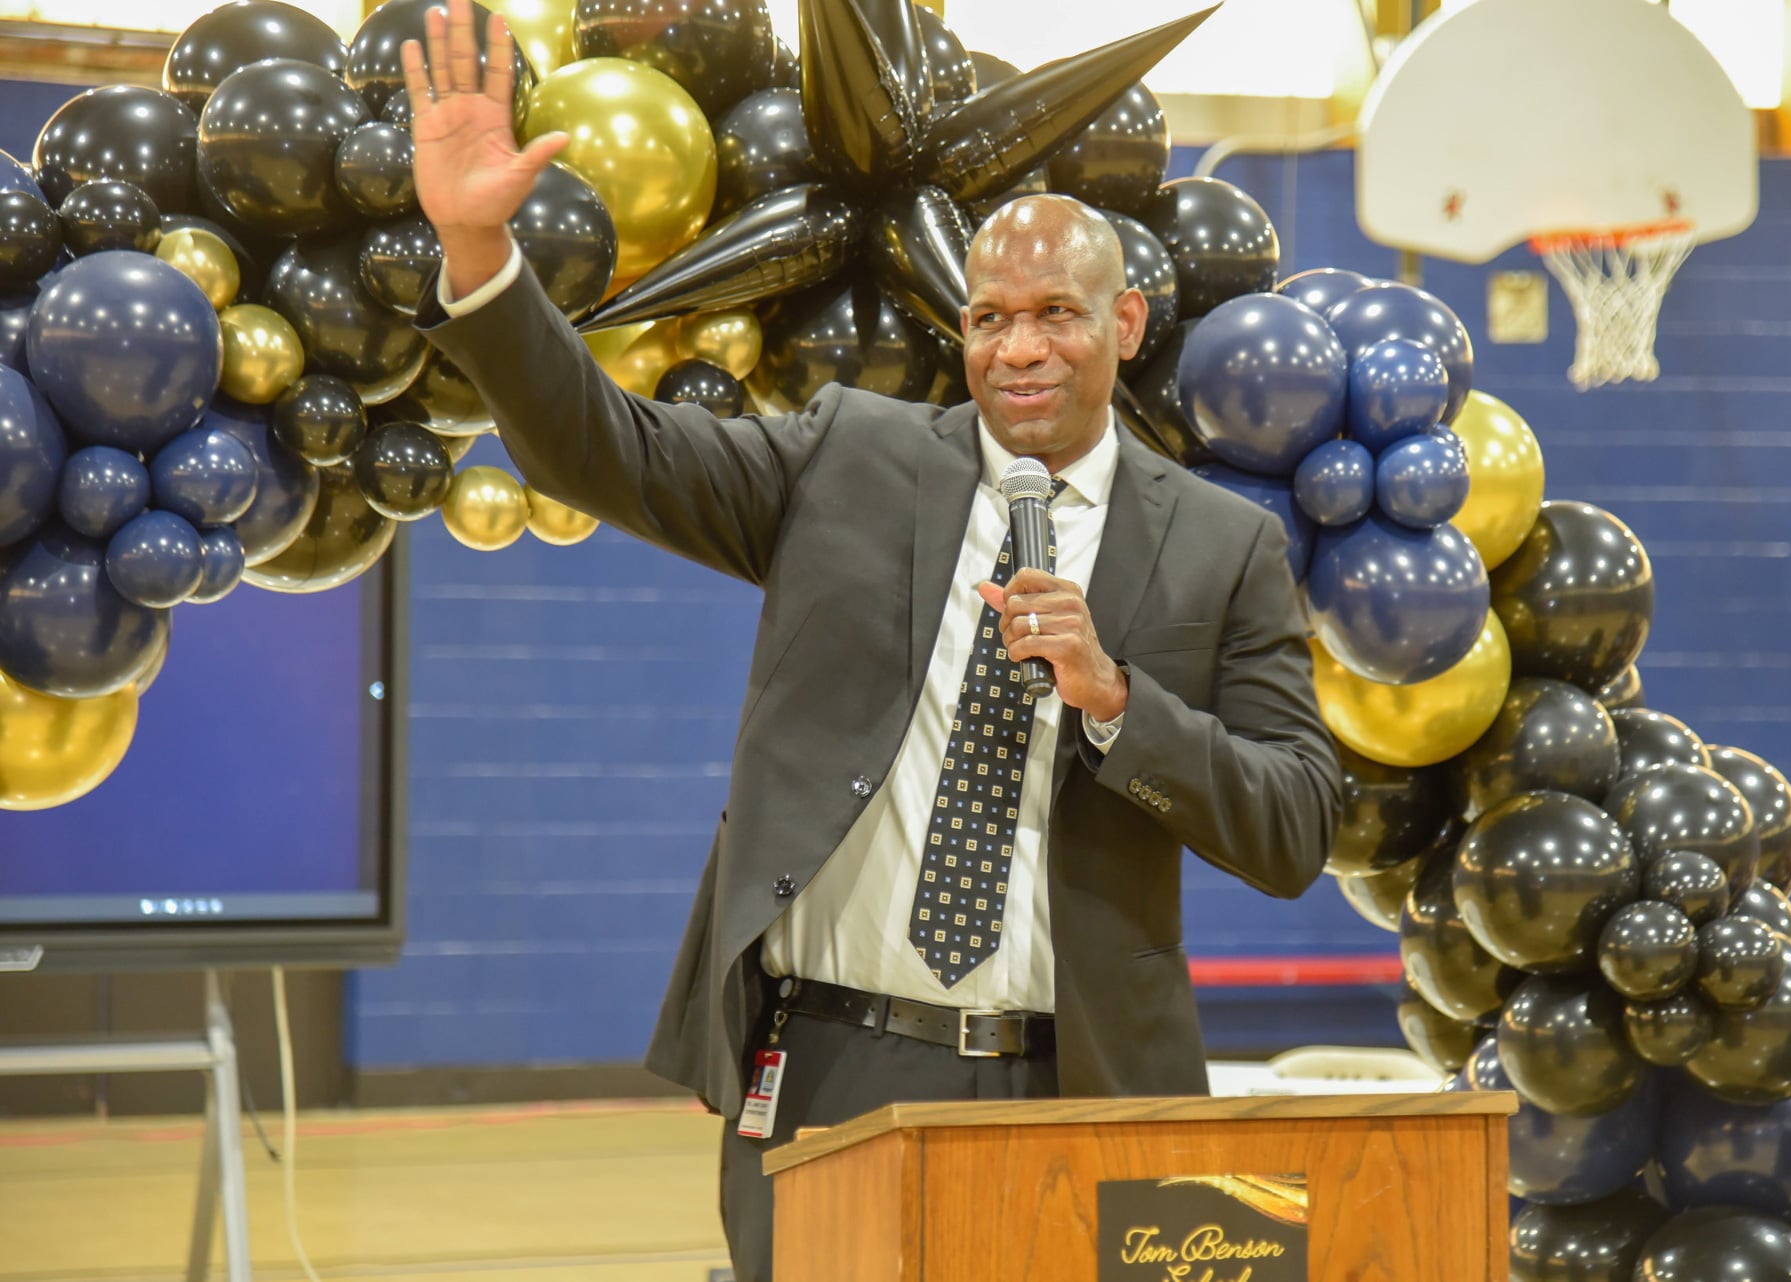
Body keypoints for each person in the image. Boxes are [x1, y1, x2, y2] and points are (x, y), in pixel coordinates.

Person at [402, 5, 1342, 1278]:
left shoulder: (1225, 545)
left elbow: (1294, 824)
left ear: (1124, 328)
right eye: (988, 316)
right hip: (832, 1067)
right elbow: (601, 449)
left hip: (1081, 1077)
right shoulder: (849, 456)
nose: (1016, 347)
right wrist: (479, 250)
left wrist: (1117, 700)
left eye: (1056, 313)